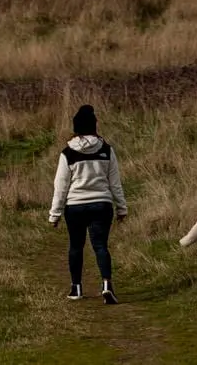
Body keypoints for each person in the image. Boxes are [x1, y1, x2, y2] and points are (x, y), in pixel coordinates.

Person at [48, 104, 127, 303]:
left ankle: (76, 288)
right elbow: (115, 183)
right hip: (102, 205)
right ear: (94, 126)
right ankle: (107, 284)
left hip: (74, 207)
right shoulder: (107, 151)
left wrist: (54, 214)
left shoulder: (67, 153)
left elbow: (61, 186)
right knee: (100, 245)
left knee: (76, 246)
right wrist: (122, 208)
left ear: (76, 128)